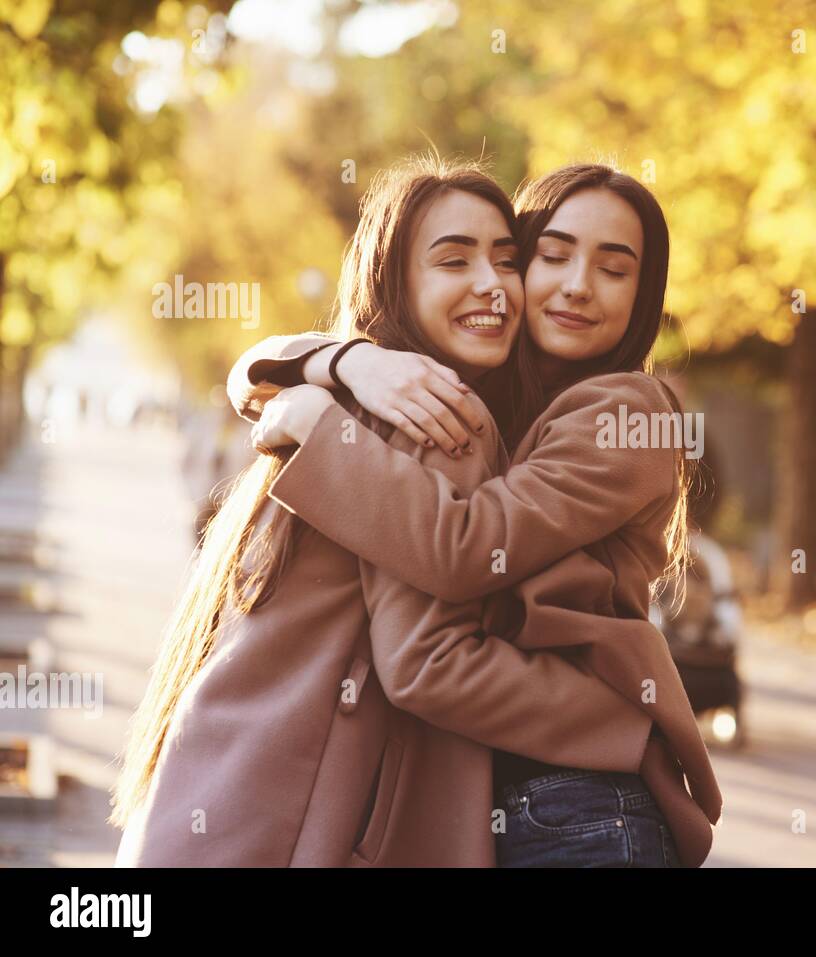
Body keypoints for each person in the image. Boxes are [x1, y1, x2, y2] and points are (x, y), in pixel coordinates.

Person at [112, 156, 692, 867]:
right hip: (267, 806)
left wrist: (317, 403)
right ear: (397, 280)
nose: (575, 284)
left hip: (575, 807)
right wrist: (342, 364)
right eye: (551, 254)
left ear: (645, 294)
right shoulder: (429, 409)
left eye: (614, 267)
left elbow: (466, 548)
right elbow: (434, 643)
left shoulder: (604, 415)